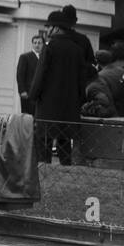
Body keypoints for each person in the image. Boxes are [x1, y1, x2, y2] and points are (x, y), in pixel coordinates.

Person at [29, 9, 92, 166]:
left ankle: (43, 167)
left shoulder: (49, 47)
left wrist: (33, 95)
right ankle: (65, 168)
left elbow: (40, 74)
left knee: (44, 141)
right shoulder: (77, 50)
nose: (47, 30)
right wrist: (79, 100)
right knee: (64, 142)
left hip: (48, 104)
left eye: (49, 26)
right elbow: (81, 80)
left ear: (56, 28)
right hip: (69, 105)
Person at [16, 31, 44, 116]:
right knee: (28, 117)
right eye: (35, 43)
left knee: (39, 116)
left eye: (39, 43)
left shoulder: (44, 58)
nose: (37, 45)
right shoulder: (25, 57)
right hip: (28, 93)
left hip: (41, 94)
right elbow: (20, 74)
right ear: (32, 44)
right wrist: (22, 90)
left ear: (43, 44)